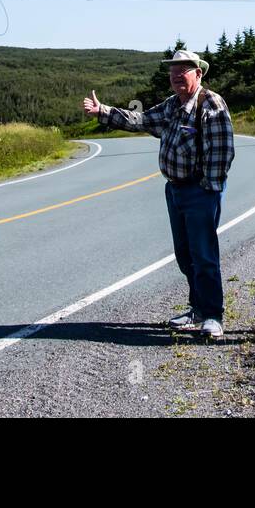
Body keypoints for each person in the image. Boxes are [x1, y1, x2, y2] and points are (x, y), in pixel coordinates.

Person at [82, 49, 235, 339]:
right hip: (175, 190)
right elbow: (141, 120)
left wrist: (209, 188)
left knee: (203, 255)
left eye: (184, 69)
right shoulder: (173, 105)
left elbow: (223, 150)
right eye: (173, 70)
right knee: (185, 255)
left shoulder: (210, 103)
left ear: (198, 73)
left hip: (199, 190)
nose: (177, 75)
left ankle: (213, 315)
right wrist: (103, 111)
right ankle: (197, 309)